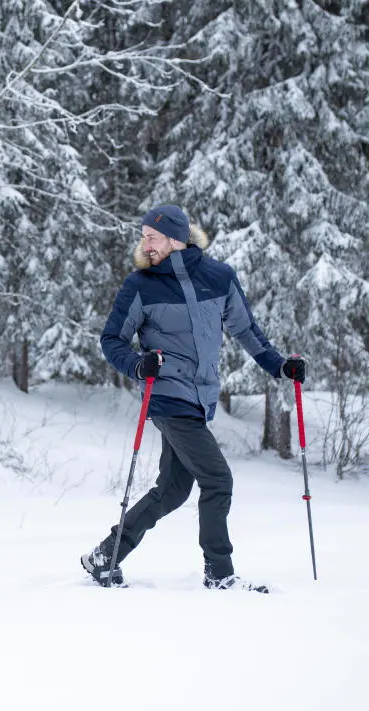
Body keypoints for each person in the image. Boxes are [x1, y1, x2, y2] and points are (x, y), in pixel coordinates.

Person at [81, 205, 306, 592]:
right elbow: (111, 340)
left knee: (173, 489)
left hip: (199, 397)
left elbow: (246, 329)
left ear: (175, 238)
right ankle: (219, 573)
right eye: (143, 236)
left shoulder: (219, 277)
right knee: (218, 479)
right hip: (168, 394)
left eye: (151, 236)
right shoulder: (141, 284)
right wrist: (138, 364)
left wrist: (279, 367)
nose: (144, 244)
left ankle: (106, 556)